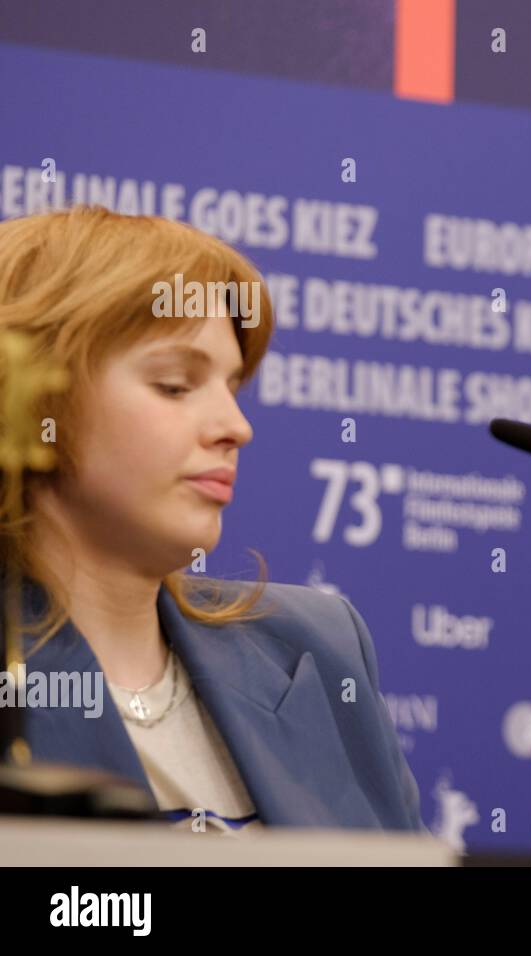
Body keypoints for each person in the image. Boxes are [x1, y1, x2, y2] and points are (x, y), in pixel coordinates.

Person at [0, 206, 425, 834]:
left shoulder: (318, 649)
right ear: (32, 400)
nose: (237, 427)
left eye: (232, 386)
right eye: (175, 385)